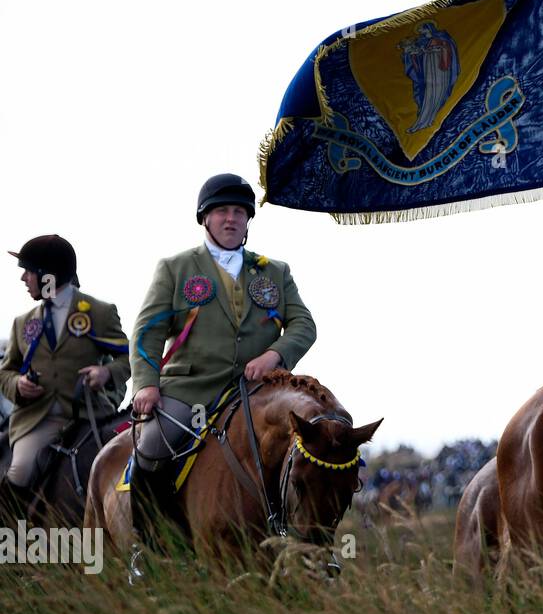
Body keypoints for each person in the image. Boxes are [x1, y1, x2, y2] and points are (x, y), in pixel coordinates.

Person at [128, 173, 317, 542]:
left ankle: (309, 543)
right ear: (205, 218)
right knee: (150, 448)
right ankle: (146, 542)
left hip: (257, 390)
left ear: (247, 220)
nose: (231, 218)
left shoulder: (274, 271)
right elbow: (147, 333)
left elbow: (303, 325)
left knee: (313, 445)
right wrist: (146, 385)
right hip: (190, 390)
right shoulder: (175, 268)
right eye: (221, 212)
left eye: (239, 212)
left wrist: (274, 354)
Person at [0, 235, 129, 514]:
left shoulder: (100, 312)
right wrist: (18, 385)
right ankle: (10, 536)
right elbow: (5, 372)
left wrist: (106, 372)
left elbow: (127, 358)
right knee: (20, 469)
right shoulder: (22, 322)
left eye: (28, 271)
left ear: (47, 275)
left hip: (89, 415)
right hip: (40, 419)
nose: (24, 278)